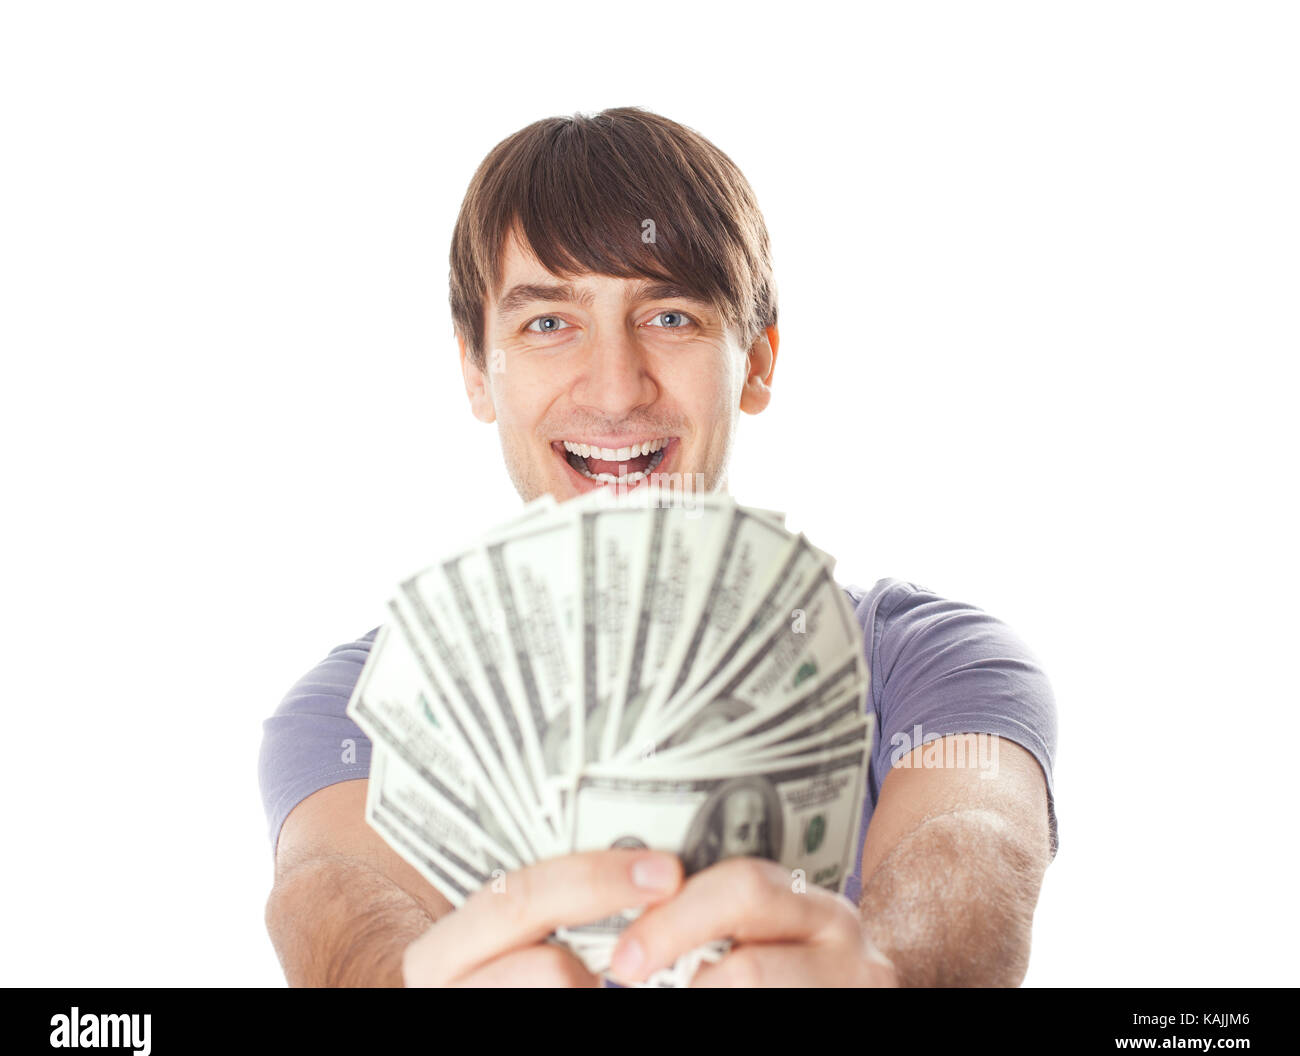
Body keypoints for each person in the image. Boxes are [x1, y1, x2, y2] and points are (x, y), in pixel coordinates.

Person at [259, 106, 1059, 988]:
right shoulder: (360, 713)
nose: (615, 386)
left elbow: (974, 851)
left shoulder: (933, 663)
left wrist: (888, 978)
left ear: (755, 362)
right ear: (474, 371)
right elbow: (333, 900)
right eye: (548, 323)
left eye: (671, 316)